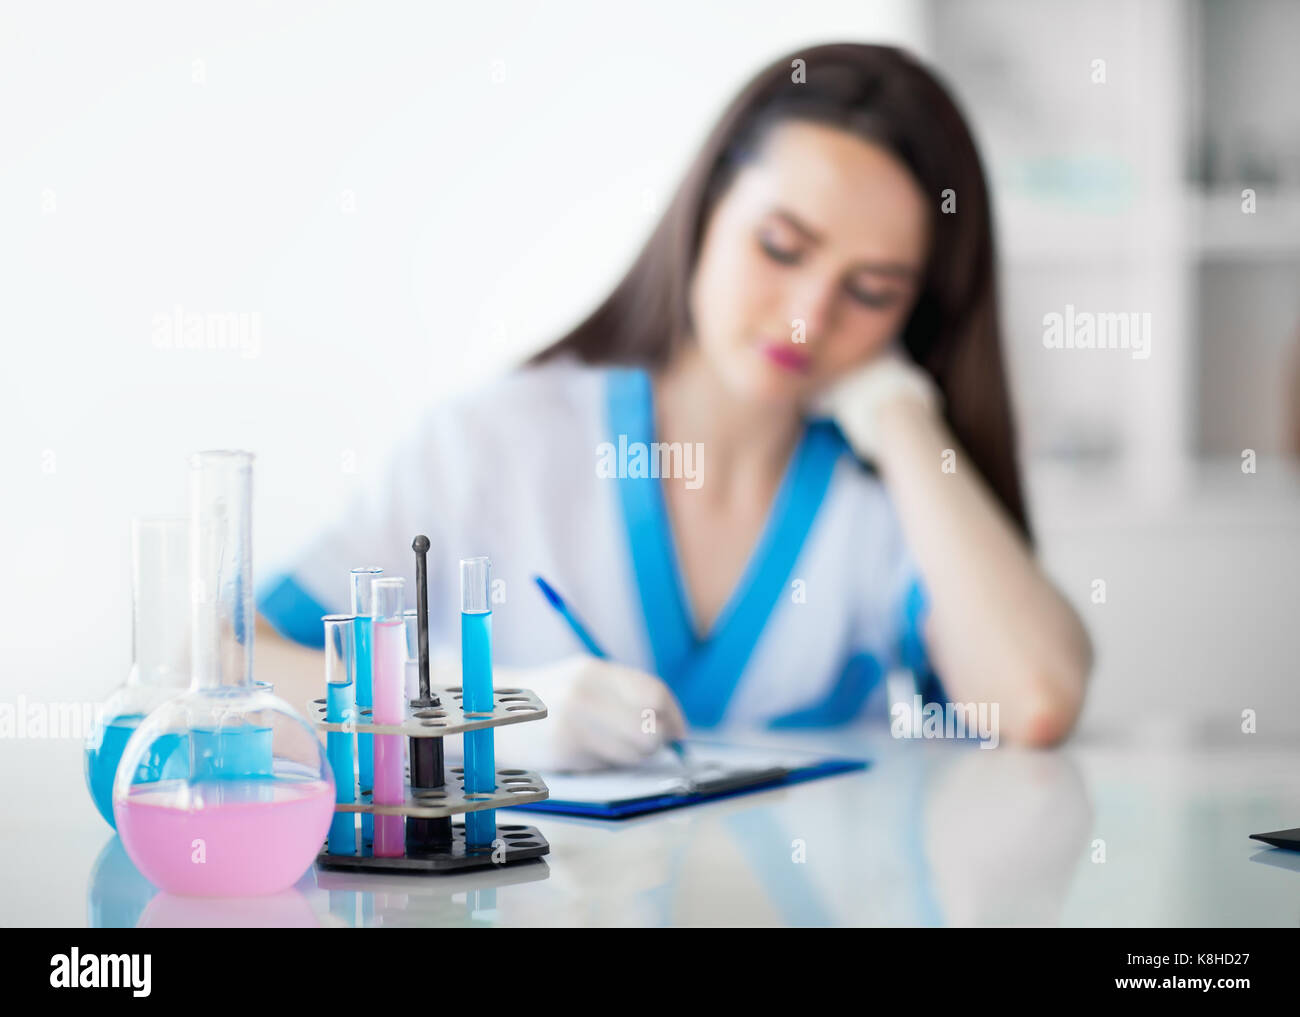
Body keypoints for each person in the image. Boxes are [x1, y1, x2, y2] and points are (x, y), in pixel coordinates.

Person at [256, 42, 1092, 770]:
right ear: (704, 211)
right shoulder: (494, 444)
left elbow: (1034, 699)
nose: (808, 318)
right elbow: (235, 663)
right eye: (780, 247)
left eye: (871, 291)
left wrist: (903, 414)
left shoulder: (884, 505)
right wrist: (491, 712)